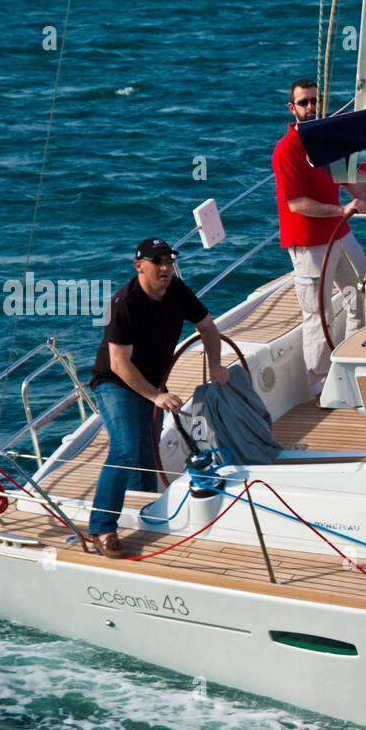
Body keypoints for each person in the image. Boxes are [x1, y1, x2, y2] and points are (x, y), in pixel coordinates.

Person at [86, 237, 228, 558]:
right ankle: (102, 529)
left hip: (153, 384)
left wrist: (217, 366)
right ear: (139, 266)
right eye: (157, 262)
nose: (165, 268)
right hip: (115, 383)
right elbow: (120, 365)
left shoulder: (177, 290)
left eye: (169, 261)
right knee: (124, 449)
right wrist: (156, 396)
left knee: (147, 457)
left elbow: (206, 326)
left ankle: (146, 514)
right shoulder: (123, 303)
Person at [273, 79, 366, 395]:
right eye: (304, 103)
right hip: (309, 245)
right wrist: (341, 210)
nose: (311, 108)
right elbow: (296, 204)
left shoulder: (328, 140)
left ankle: (354, 363)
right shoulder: (286, 150)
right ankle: (321, 386)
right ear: (292, 109)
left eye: (315, 101)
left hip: (341, 235)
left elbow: (353, 184)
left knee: (361, 295)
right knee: (318, 316)